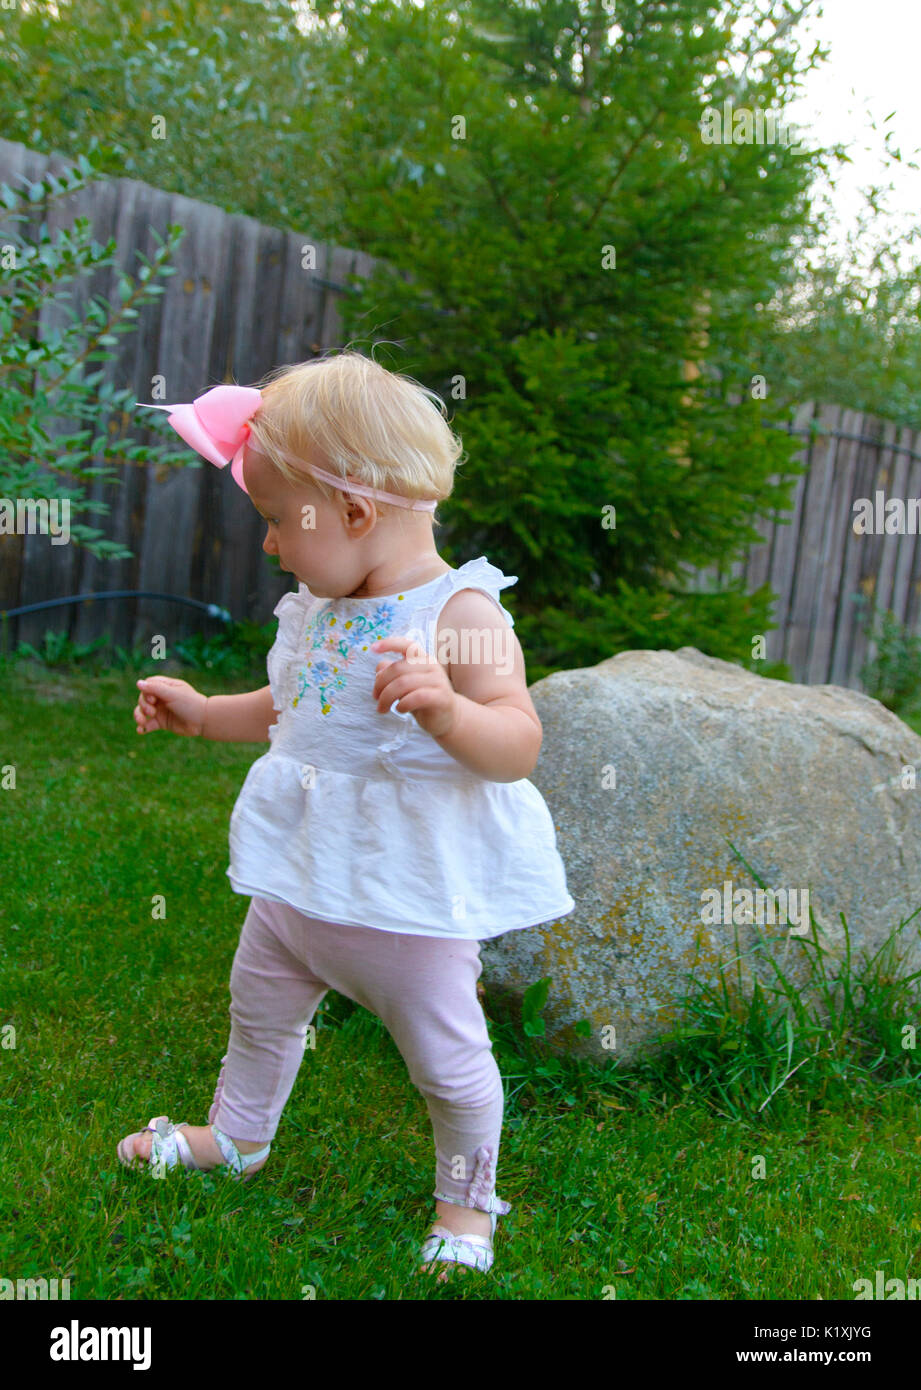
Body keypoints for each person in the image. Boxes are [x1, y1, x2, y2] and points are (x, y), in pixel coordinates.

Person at [117, 350, 575, 1283]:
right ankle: (237, 1139)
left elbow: (518, 743)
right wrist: (207, 714)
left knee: (448, 1068)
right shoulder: (319, 610)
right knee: (259, 1015)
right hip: (298, 883)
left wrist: (448, 710)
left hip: (403, 904)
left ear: (355, 512)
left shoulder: (463, 609)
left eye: (280, 522)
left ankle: (465, 1202)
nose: (272, 545)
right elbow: (296, 707)